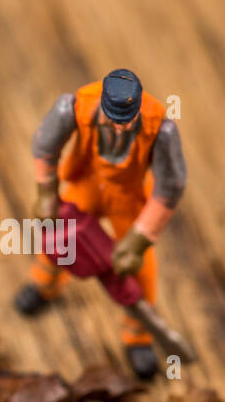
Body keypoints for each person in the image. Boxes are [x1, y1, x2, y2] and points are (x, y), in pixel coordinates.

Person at [14, 69, 187, 379]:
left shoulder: (161, 129)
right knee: (59, 236)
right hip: (87, 182)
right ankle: (45, 284)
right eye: (112, 119)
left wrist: (138, 241)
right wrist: (46, 192)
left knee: (141, 269)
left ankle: (138, 335)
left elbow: (169, 188)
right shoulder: (74, 107)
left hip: (128, 196)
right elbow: (44, 147)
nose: (118, 127)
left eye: (126, 121)